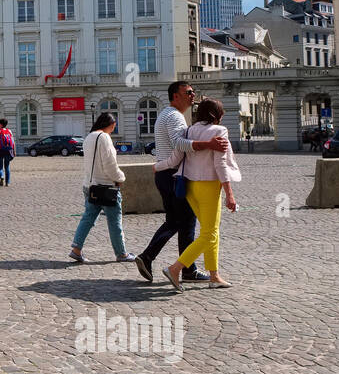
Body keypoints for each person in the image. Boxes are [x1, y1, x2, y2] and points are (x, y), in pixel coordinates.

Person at [135, 81, 229, 285]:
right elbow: (179, 144)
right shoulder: (175, 116)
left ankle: (188, 269)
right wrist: (209, 144)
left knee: (186, 222)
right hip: (172, 175)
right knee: (179, 221)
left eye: (193, 91)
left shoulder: (166, 114)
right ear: (175, 96)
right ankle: (149, 257)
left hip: (167, 173)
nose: (192, 95)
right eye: (188, 92)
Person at [157, 98, 240, 291]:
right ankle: (175, 268)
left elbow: (177, 155)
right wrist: (229, 193)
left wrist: (158, 166)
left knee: (210, 232)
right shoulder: (219, 131)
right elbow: (220, 164)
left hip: (189, 187)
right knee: (210, 234)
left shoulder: (189, 130)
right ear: (217, 114)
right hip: (209, 186)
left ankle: (214, 275)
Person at [68, 113, 135, 264]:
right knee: (114, 221)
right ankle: (121, 254)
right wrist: (120, 178)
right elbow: (109, 164)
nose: (115, 126)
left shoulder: (89, 137)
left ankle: (76, 249)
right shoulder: (104, 137)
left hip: (90, 185)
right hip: (106, 186)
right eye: (114, 123)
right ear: (110, 124)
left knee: (88, 217)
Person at [0, 117, 16, 186]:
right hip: (8, 150)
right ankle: (7, 182)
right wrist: (14, 151)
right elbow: (13, 142)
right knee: (7, 166)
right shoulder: (9, 131)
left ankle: (1, 176)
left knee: (0, 166)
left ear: (0, 124)